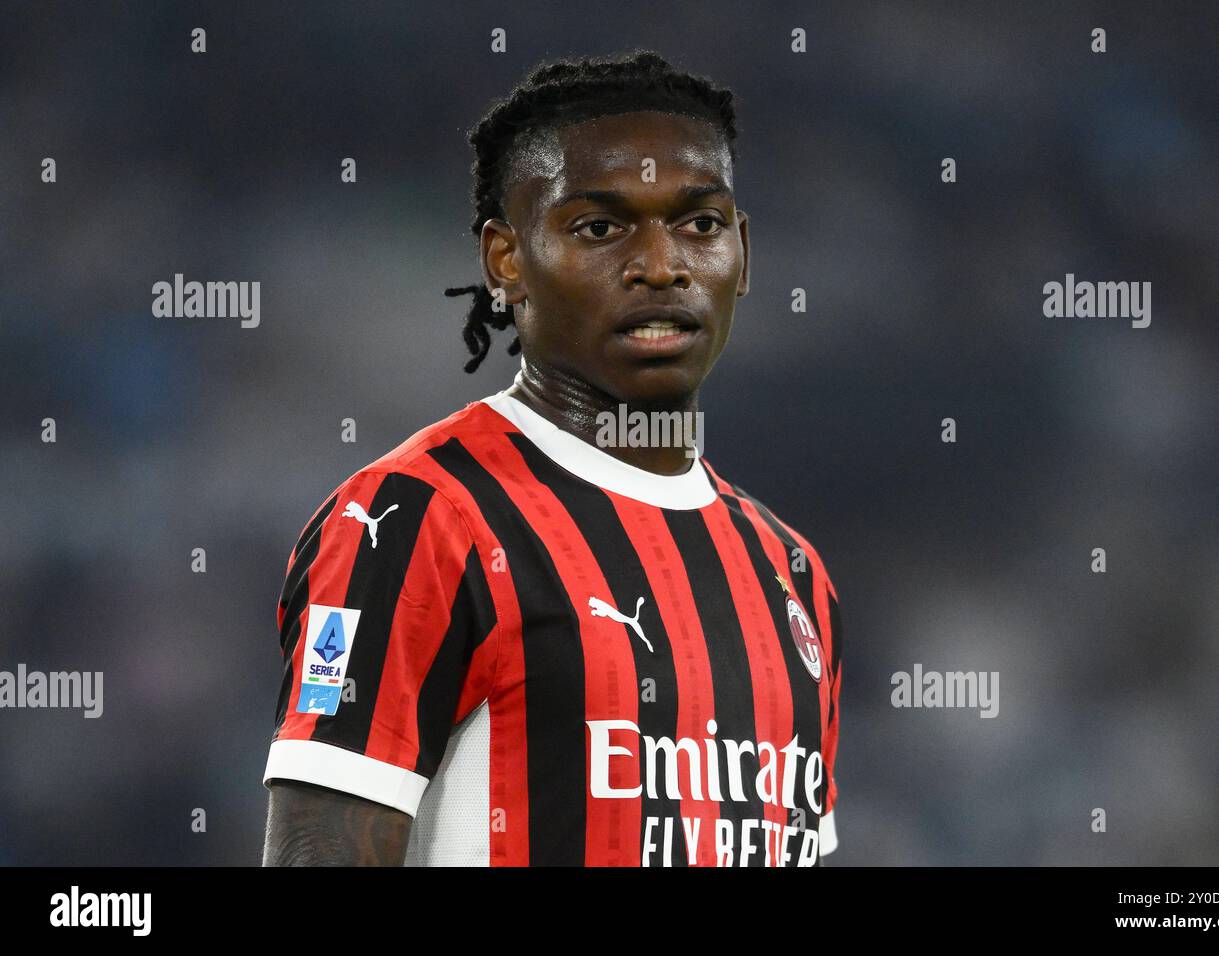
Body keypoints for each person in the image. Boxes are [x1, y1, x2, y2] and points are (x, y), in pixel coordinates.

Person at [261, 50, 843, 867]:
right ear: (506, 261)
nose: (661, 265)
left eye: (700, 225)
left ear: (741, 254)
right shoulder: (416, 517)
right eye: (600, 227)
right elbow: (319, 852)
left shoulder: (794, 575)